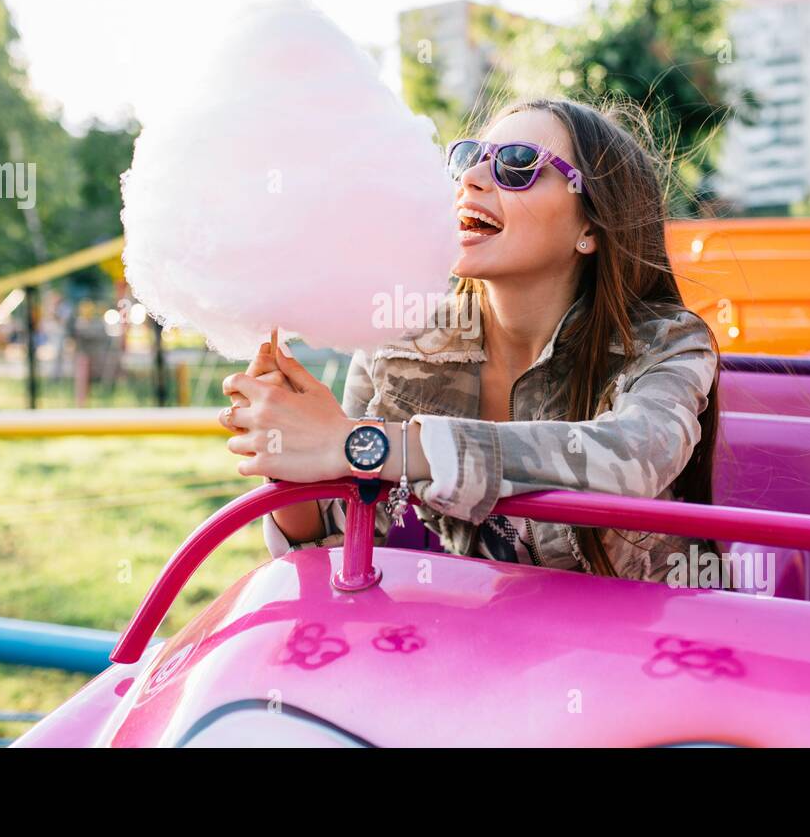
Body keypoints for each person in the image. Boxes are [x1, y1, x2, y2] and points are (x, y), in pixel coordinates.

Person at [220, 97, 720, 581]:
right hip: (490, 639)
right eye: (469, 158)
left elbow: (634, 456)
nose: (472, 179)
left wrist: (359, 444)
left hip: (649, 641)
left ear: (589, 224)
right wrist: (288, 456)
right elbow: (340, 546)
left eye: (518, 165)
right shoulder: (400, 338)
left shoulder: (668, 342)